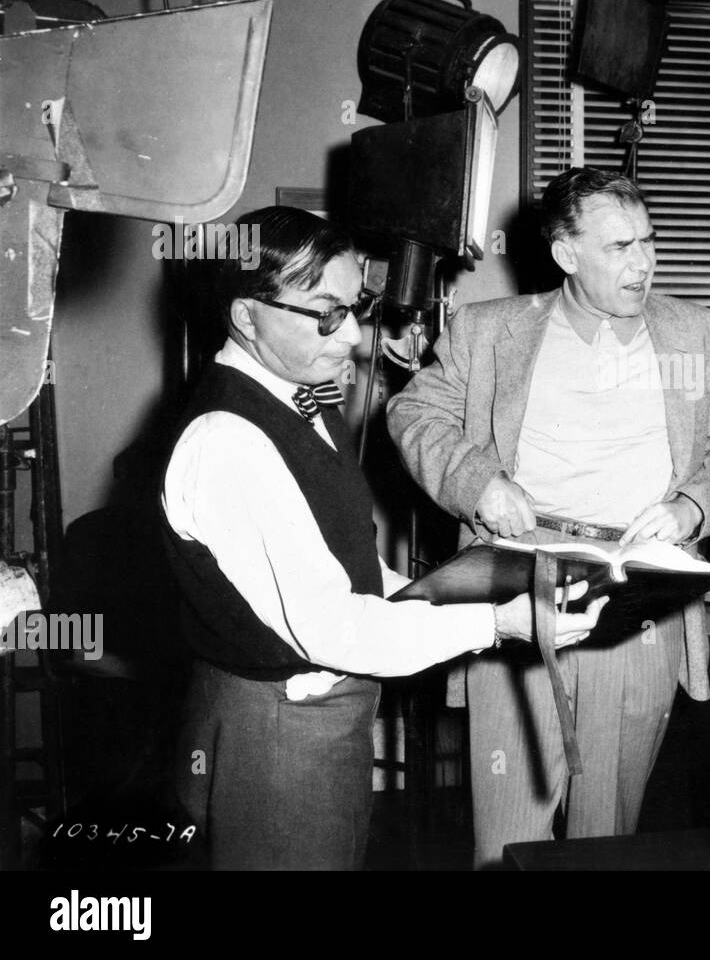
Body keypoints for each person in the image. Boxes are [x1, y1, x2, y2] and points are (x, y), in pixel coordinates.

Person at [161, 206, 603, 870]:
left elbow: (351, 567)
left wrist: (473, 587)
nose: (351, 338)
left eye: (354, 306)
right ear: (246, 316)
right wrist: (498, 621)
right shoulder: (228, 442)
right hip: (278, 733)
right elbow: (338, 627)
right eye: (324, 313)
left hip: (320, 720)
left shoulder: (296, 400)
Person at [388, 167, 710, 866]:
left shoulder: (697, 334)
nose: (644, 263)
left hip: (640, 599)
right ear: (566, 253)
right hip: (518, 588)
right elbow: (411, 411)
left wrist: (688, 506)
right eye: (620, 246)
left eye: (650, 241)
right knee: (504, 841)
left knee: (608, 839)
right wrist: (479, 480)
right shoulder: (489, 331)